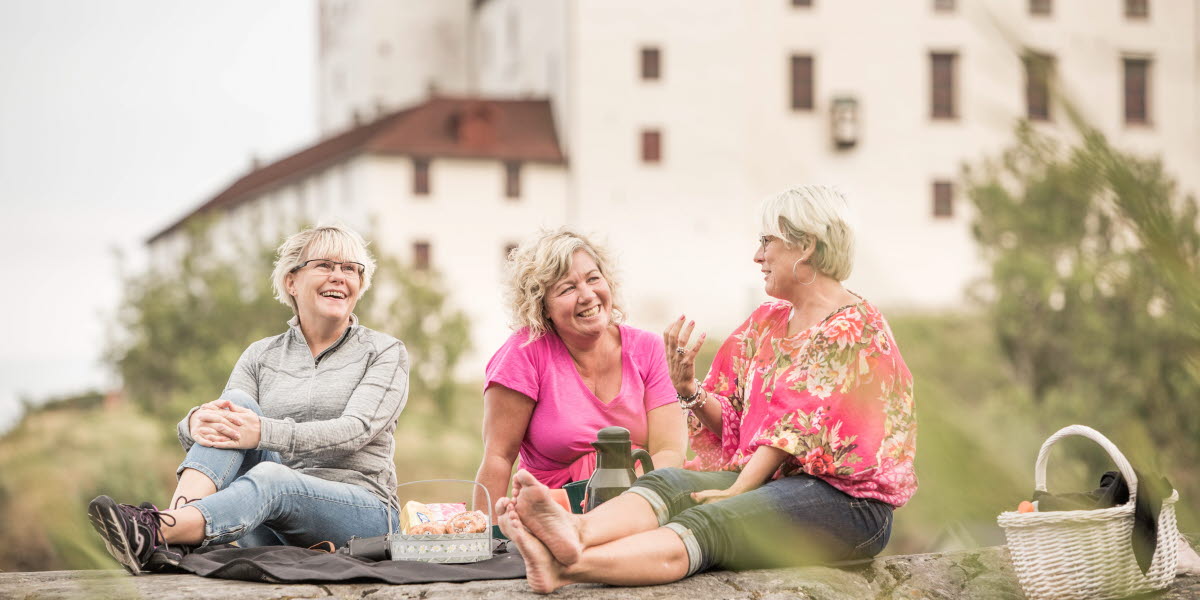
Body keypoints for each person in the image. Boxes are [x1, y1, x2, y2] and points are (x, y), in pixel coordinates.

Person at [496, 185, 917, 593]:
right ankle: (575, 530)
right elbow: (736, 423)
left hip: (849, 504)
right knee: (669, 483)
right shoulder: (768, 322)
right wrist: (689, 390)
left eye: (766, 241)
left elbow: (788, 433)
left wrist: (736, 490)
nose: (758, 255)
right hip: (775, 480)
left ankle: (564, 569)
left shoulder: (854, 328)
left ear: (804, 246)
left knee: (714, 518)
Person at [87, 224, 410, 575]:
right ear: (291, 281)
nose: (339, 276)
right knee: (234, 404)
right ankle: (175, 536)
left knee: (272, 476)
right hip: (268, 519)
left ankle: (160, 530)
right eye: (325, 265)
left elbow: (356, 430)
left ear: (360, 284)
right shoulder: (261, 355)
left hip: (362, 516)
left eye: (350, 269)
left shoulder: (384, 351)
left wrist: (262, 432)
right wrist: (192, 422)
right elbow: (224, 428)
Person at [473, 229, 686, 513]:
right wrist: (486, 534)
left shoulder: (649, 349)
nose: (587, 295)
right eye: (567, 289)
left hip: (637, 506)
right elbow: (498, 458)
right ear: (543, 307)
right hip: (549, 514)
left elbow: (669, 452)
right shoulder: (523, 354)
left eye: (593, 278)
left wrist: (616, 503)